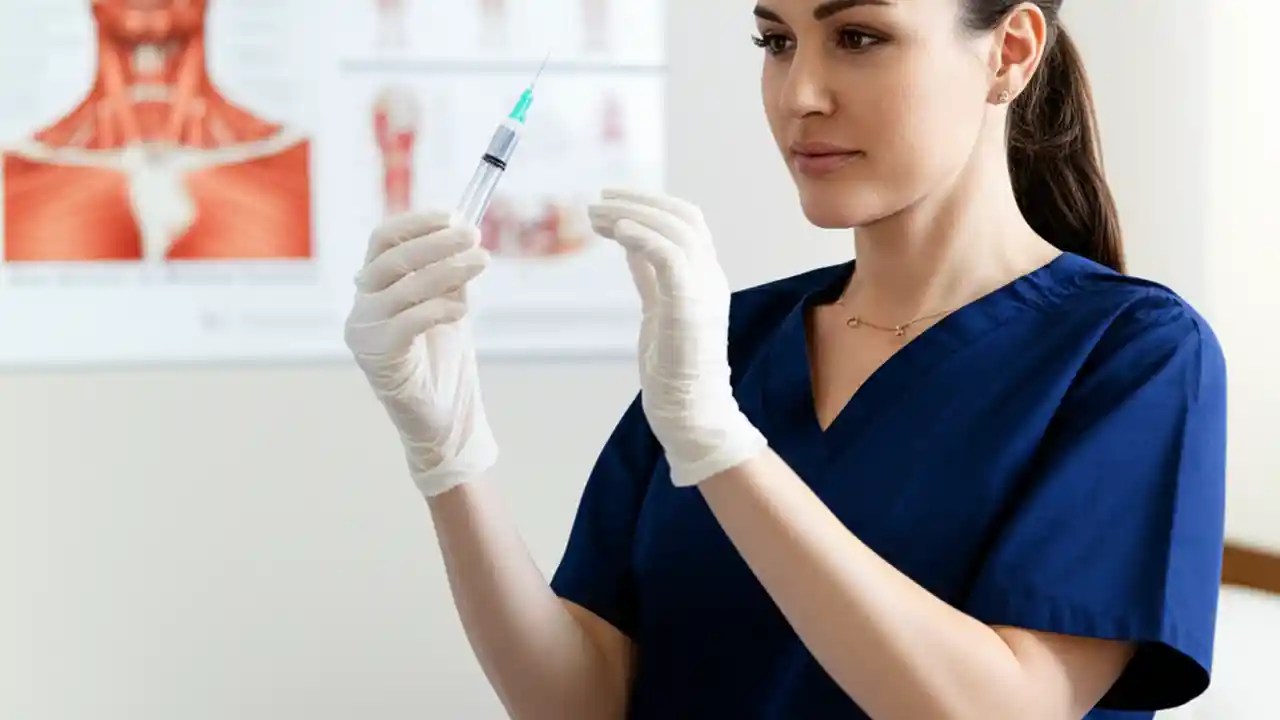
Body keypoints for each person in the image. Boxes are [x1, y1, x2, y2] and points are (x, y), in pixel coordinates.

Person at [342, 0, 1228, 717]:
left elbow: (996, 709)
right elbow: (580, 699)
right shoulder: (730, 340)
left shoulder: (1129, 354)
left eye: (858, 37)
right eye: (775, 40)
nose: (799, 91)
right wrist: (448, 456)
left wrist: (722, 446)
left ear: (1010, 52)